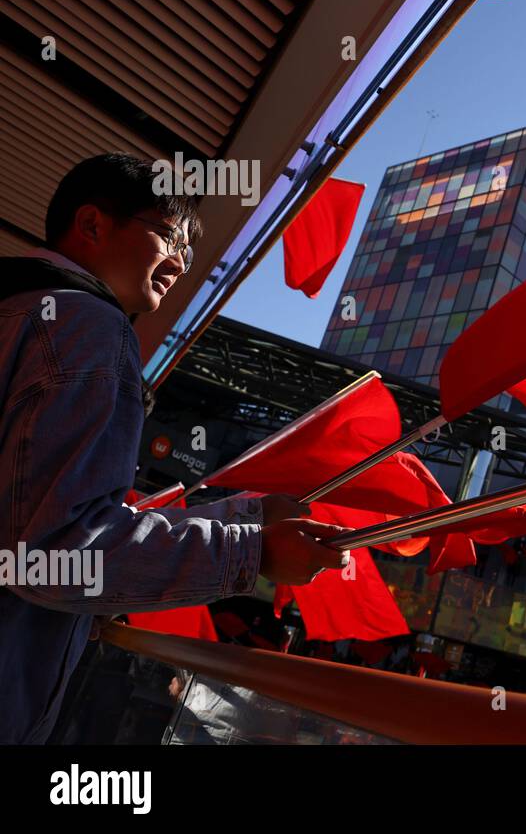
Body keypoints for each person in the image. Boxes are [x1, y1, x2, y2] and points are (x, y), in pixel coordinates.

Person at [0, 154, 349, 743]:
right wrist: (255, 551)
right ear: (92, 224)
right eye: (168, 233)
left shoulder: (19, 310)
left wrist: (247, 515)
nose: (183, 261)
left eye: (189, 250)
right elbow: (56, 551)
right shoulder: (89, 326)